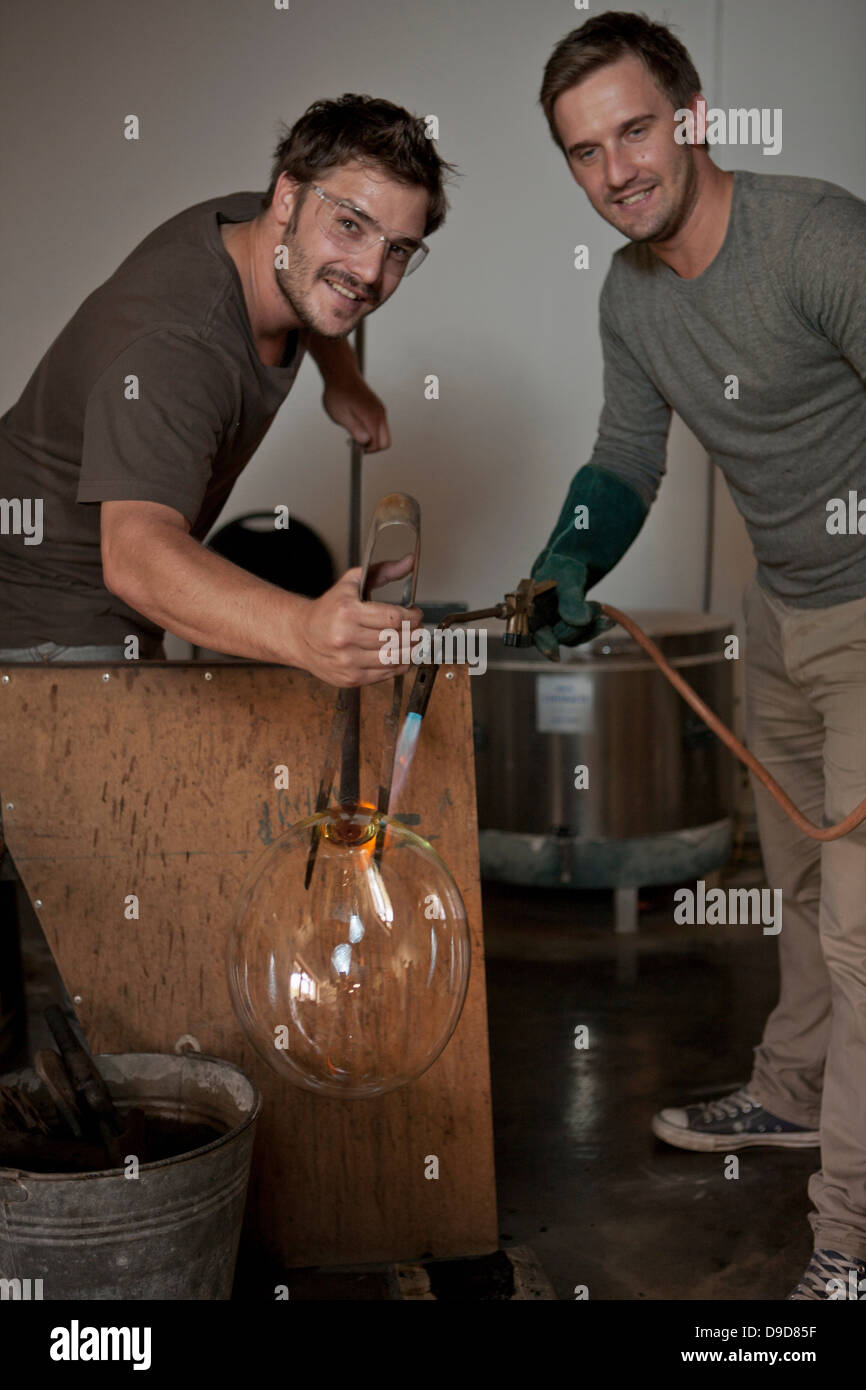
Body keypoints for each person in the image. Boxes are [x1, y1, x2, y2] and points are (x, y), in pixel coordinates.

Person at [530, 11, 866, 1300]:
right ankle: (788, 1096)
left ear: (690, 115)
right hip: (778, 614)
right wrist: (566, 560)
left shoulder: (815, 236)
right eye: (582, 151)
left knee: (861, 935)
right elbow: (623, 459)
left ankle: (845, 1240)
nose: (615, 168)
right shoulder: (628, 295)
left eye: (632, 129)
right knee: (792, 888)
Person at [0, 93, 452, 682]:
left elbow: (320, 278)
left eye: (398, 250)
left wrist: (342, 379)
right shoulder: (178, 348)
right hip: (48, 623)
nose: (370, 271)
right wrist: (302, 633)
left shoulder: (256, 225)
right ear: (288, 196)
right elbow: (136, 557)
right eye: (351, 225)